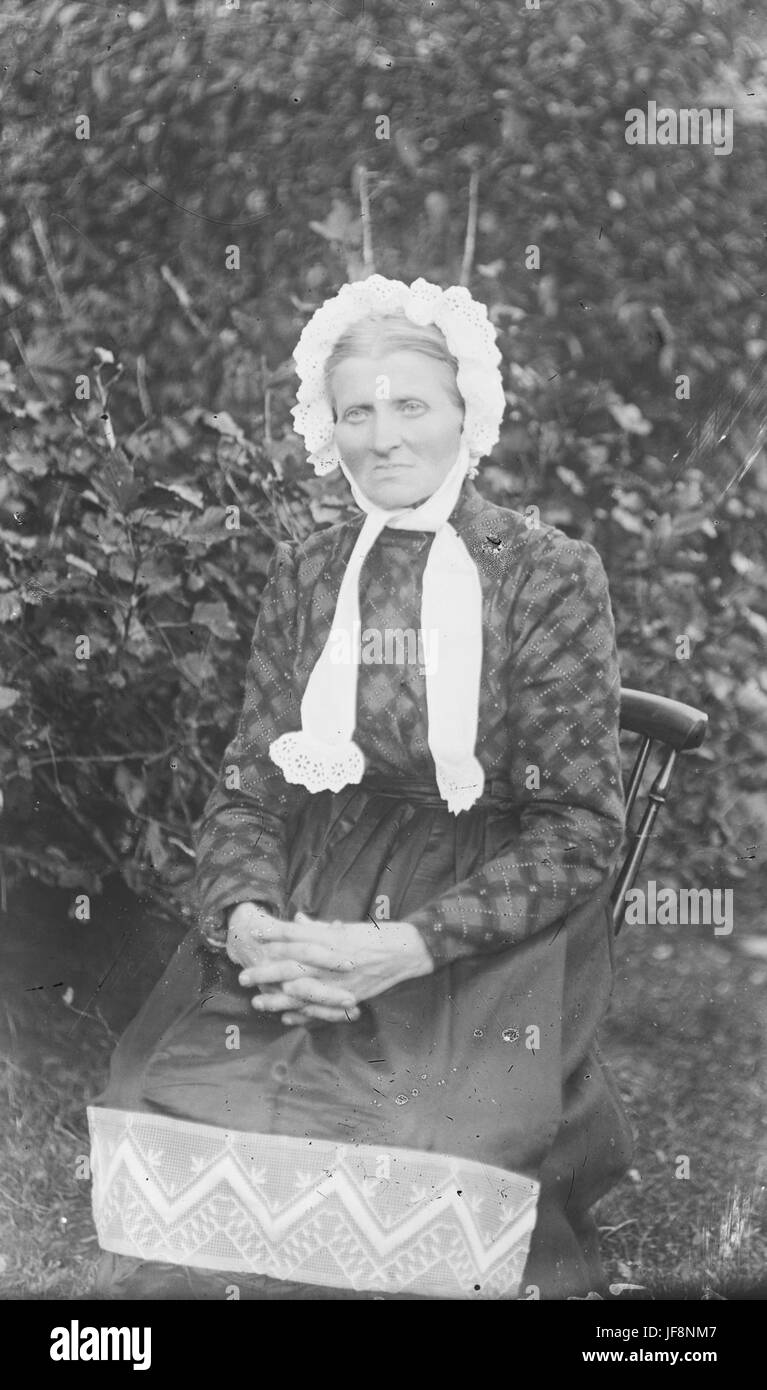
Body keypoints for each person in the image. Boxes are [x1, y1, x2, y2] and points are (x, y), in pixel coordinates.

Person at [87, 274, 633, 1300]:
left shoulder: (545, 571)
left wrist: (400, 948)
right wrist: (250, 923)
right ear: (325, 426)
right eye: (356, 411)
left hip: (487, 904)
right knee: (174, 1096)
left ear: (467, 409)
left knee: (426, 1130)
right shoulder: (308, 567)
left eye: (410, 404)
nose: (382, 438)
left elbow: (579, 828)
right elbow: (249, 782)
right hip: (319, 879)